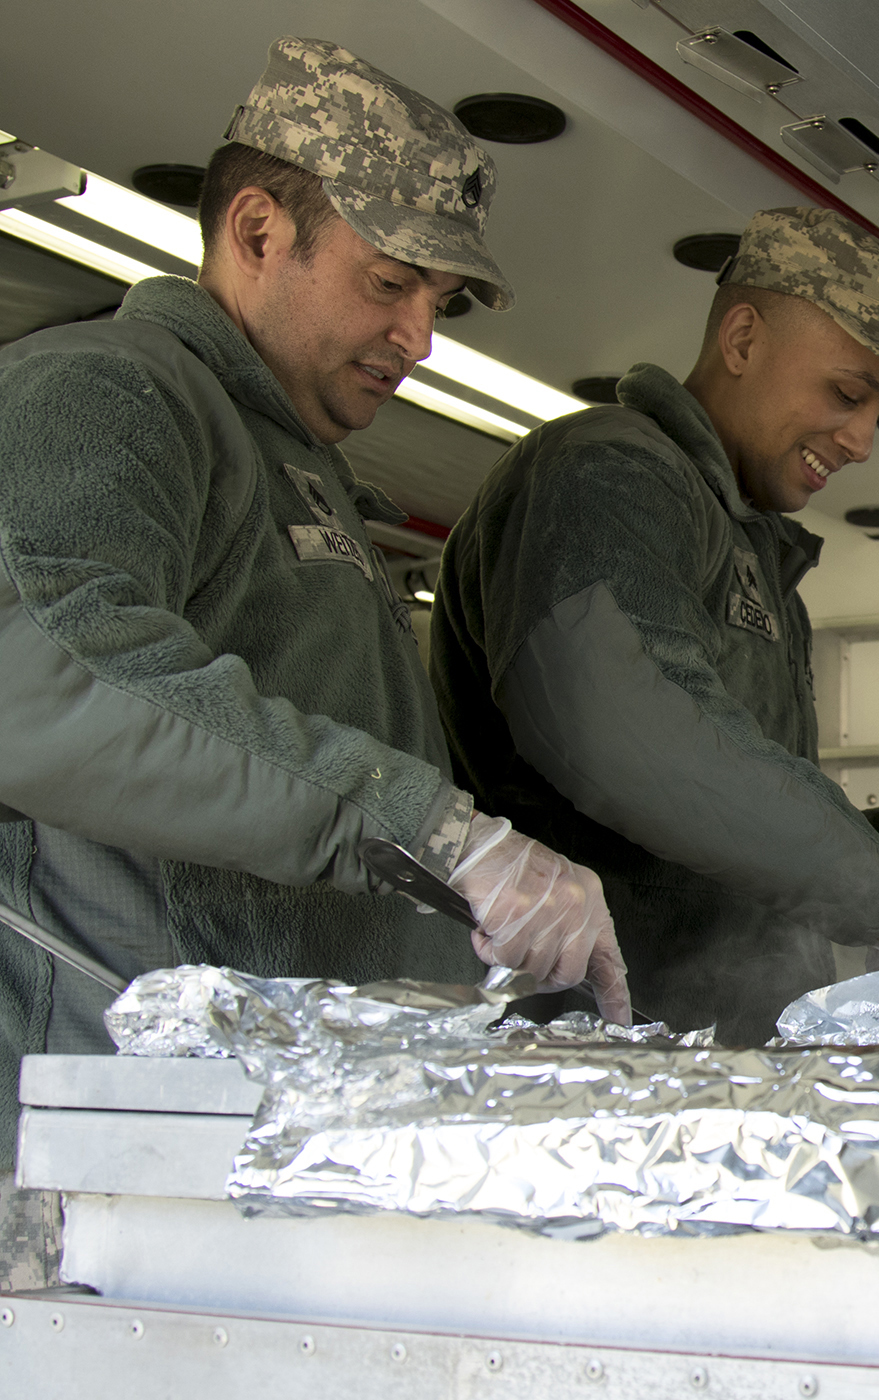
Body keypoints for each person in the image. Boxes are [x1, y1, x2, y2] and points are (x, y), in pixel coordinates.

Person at [0, 37, 628, 1288]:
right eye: (390, 282)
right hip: (111, 1172)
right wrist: (436, 832)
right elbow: (49, 676)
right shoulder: (107, 391)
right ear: (257, 230)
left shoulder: (304, 469)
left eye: (438, 302)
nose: (420, 336)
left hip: (270, 1150)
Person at [429, 206, 879, 1044]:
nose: (861, 442)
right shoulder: (608, 472)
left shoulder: (754, 550)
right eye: (848, 394)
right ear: (741, 340)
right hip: (602, 1049)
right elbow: (631, 731)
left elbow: (740, 793)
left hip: (722, 1052)